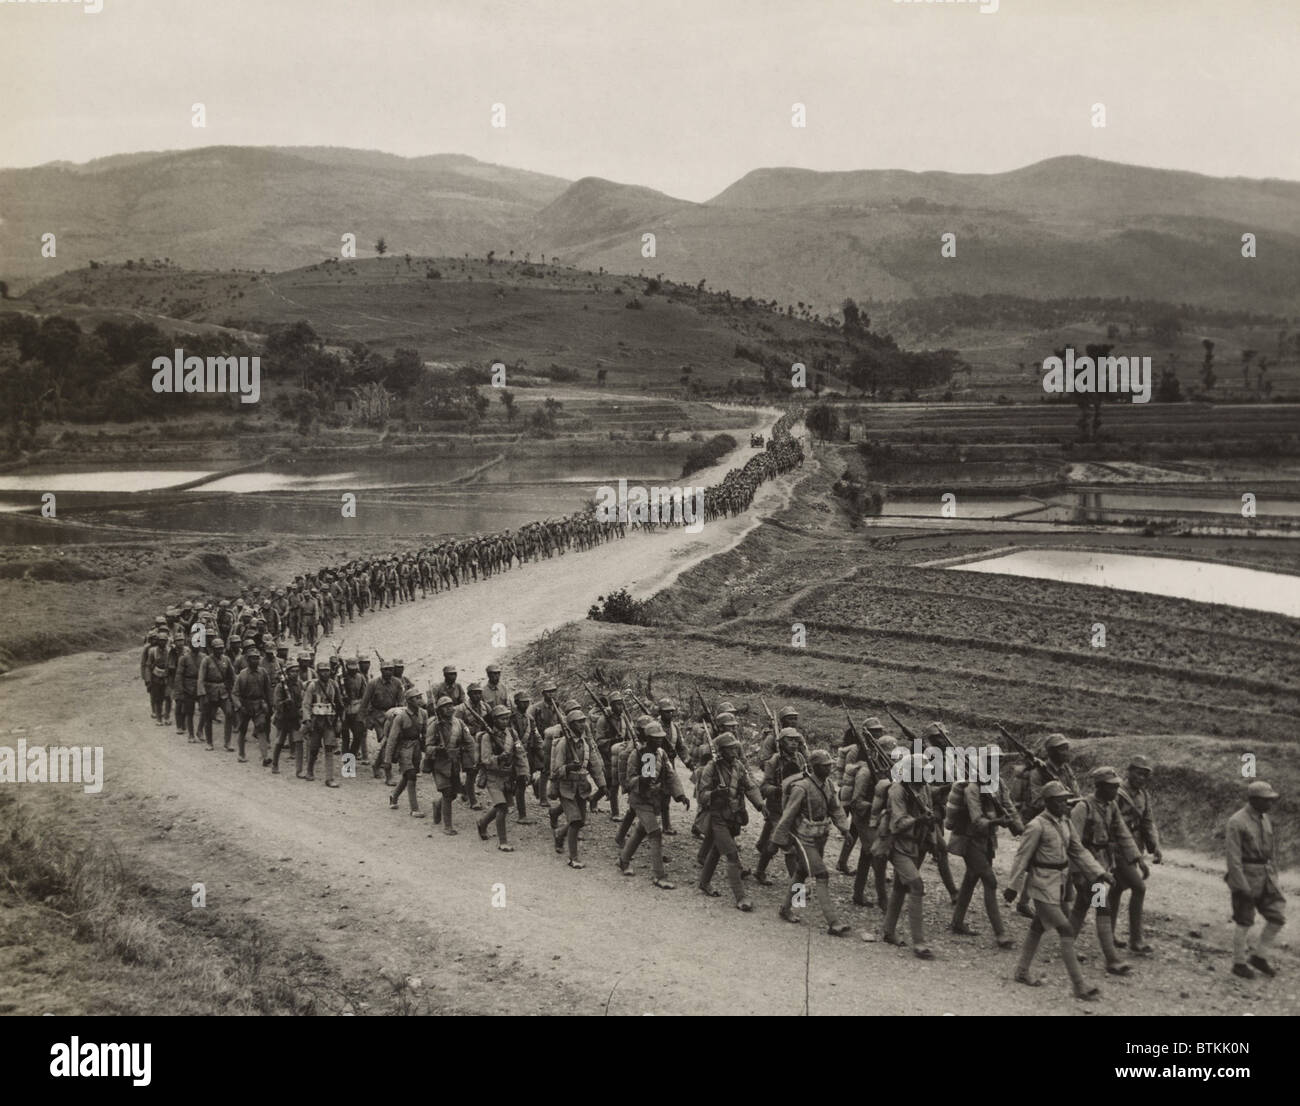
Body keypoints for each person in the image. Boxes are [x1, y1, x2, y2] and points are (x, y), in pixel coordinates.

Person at [1007, 781, 1110, 1001]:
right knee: (1065, 929)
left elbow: (1078, 851)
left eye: (1066, 799)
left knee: (1037, 927)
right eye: (1061, 800)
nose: (1066, 804)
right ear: (1049, 802)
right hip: (1042, 884)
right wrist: (1013, 887)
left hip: (1060, 883)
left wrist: (1099, 873)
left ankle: (1021, 972)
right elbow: (1022, 857)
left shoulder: (1065, 822)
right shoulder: (1037, 826)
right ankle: (1079, 986)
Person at [772, 748, 852, 936]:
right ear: (815, 767)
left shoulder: (828, 785)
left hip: (819, 836)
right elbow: (788, 815)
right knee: (822, 875)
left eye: (830, 765)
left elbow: (836, 809)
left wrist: (844, 829)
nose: (830, 769)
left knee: (801, 873)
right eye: (825, 766)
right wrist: (779, 840)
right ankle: (833, 922)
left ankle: (786, 909)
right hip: (804, 839)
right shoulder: (802, 788)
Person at [1068, 766, 1138, 976]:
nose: (1116, 790)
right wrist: (1077, 873)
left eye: (1117, 786)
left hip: (1102, 864)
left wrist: (1136, 857)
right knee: (1103, 906)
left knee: (1081, 905)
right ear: (1100, 787)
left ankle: (1067, 946)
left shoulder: (1111, 806)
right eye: (1112, 787)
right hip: (1087, 867)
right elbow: (1073, 844)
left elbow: (1122, 832)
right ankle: (1112, 959)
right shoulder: (1082, 808)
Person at [947, 771, 1022, 948]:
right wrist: (998, 822)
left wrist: (1018, 826)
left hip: (986, 840)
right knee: (990, 881)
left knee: (971, 878)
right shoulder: (972, 788)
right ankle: (1000, 934)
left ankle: (957, 922)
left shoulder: (998, 782)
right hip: (969, 839)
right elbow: (977, 820)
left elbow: (1008, 805)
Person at [1225, 780, 1286, 979]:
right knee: (1244, 921)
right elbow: (1233, 859)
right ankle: (1239, 963)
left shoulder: (1264, 818)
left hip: (1266, 876)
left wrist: (1275, 876)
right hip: (1246, 877)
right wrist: (1242, 887)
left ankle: (1259, 957)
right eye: (1266, 800)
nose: (1270, 804)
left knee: (1276, 918)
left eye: (1271, 800)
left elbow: (1272, 851)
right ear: (1254, 800)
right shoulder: (1236, 822)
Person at [618, 721, 689, 889]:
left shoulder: (661, 754)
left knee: (642, 830)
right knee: (655, 833)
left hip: (653, 800)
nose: (659, 741)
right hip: (640, 800)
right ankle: (659, 875)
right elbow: (629, 780)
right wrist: (641, 780)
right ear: (648, 738)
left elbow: (671, 776)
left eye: (661, 738)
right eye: (655, 739)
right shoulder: (637, 755)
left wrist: (680, 795)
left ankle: (623, 859)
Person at [878, 754, 937, 958]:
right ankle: (919, 942)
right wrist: (919, 819)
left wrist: (933, 841)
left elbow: (929, 815)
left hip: (917, 844)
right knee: (916, 885)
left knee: (900, 886)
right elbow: (898, 824)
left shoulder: (923, 788)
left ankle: (888, 930)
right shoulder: (898, 790)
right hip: (897, 844)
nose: (925, 777)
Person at [695, 731, 762, 909]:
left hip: (733, 817)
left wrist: (761, 805)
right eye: (730, 749)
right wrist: (715, 793)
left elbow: (749, 787)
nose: (735, 751)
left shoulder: (738, 766)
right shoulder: (711, 768)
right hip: (717, 817)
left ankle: (704, 882)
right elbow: (701, 796)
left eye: (735, 747)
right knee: (732, 855)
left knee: (717, 850)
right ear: (721, 751)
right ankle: (741, 897)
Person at [1111, 754, 1161, 954]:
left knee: (1117, 889)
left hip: (1135, 845)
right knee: (1139, 888)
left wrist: (1154, 846)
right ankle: (1135, 939)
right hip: (1118, 847)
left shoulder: (1144, 795)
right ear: (1129, 771)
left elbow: (1148, 822)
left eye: (1145, 775)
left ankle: (1108, 933)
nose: (1142, 778)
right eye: (1139, 773)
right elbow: (1112, 822)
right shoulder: (1117, 792)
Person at [548, 708, 605, 869]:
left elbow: (594, 766)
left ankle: (559, 833)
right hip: (565, 788)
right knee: (574, 821)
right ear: (571, 725)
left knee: (581, 821)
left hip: (581, 787)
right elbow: (556, 770)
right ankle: (573, 857)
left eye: (583, 721)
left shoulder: (585, 744)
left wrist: (602, 785)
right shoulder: (563, 744)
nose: (583, 724)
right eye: (579, 722)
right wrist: (568, 767)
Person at [476, 704, 529, 850]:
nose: (505, 721)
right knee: (502, 807)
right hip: (493, 776)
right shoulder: (487, 737)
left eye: (507, 718)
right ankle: (503, 842)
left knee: (502, 807)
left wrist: (524, 772)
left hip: (508, 777)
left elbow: (520, 754)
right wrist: (499, 758)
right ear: (494, 720)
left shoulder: (512, 734)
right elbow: (485, 759)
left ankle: (483, 822)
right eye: (501, 719)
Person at [423, 695, 474, 835]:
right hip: (439, 765)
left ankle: (438, 804)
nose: (450, 709)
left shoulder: (460, 724)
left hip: (454, 763)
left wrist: (471, 757)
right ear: (439, 710)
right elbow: (427, 748)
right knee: (446, 792)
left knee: (452, 794)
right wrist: (438, 749)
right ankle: (448, 826)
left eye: (451, 706)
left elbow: (469, 742)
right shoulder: (434, 725)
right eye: (446, 707)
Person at [302, 659, 344, 787]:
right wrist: (307, 719)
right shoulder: (313, 686)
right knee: (314, 748)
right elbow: (306, 704)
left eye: (327, 671)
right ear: (318, 673)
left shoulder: (333, 685)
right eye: (322, 671)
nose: (325, 674)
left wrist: (340, 720)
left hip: (329, 721)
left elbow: (339, 703)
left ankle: (329, 778)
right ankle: (309, 770)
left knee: (329, 748)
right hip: (315, 721)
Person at [386, 690, 428, 815]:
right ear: (409, 701)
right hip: (404, 748)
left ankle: (394, 795)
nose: (420, 700)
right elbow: (392, 739)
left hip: (416, 748)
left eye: (420, 697)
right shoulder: (400, 717)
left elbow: (425, 733)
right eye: (416, 698)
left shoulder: (423, 713)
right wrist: (387, 759)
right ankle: (414, 809)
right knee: (411, 775)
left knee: (408, 774)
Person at [231, 647, 273, 766]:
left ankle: (265, 757)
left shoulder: (263, 672)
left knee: (261, 729)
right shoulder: (242, 675)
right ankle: (241, 754)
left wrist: (270, 705)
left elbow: (268, 690)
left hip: (259, 705)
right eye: (252, 659)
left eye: (257, 658)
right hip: (245, 706)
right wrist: (239, 707)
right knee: (243, 730)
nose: (255, 661)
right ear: (248, 660)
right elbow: (234, 693)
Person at [197, 637, 235, 752]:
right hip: (210, 692)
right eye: (217, 649)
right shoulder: (206, 660)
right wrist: (202, 694)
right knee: (208, 717)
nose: (220, 651)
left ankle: (227, 742)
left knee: (229, 713)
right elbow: (201, 678)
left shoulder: (226, 660)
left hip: (223, 692)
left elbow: (232, 676)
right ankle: (209, 742)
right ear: (213, 649)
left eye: (222, 648)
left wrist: (234, 689)